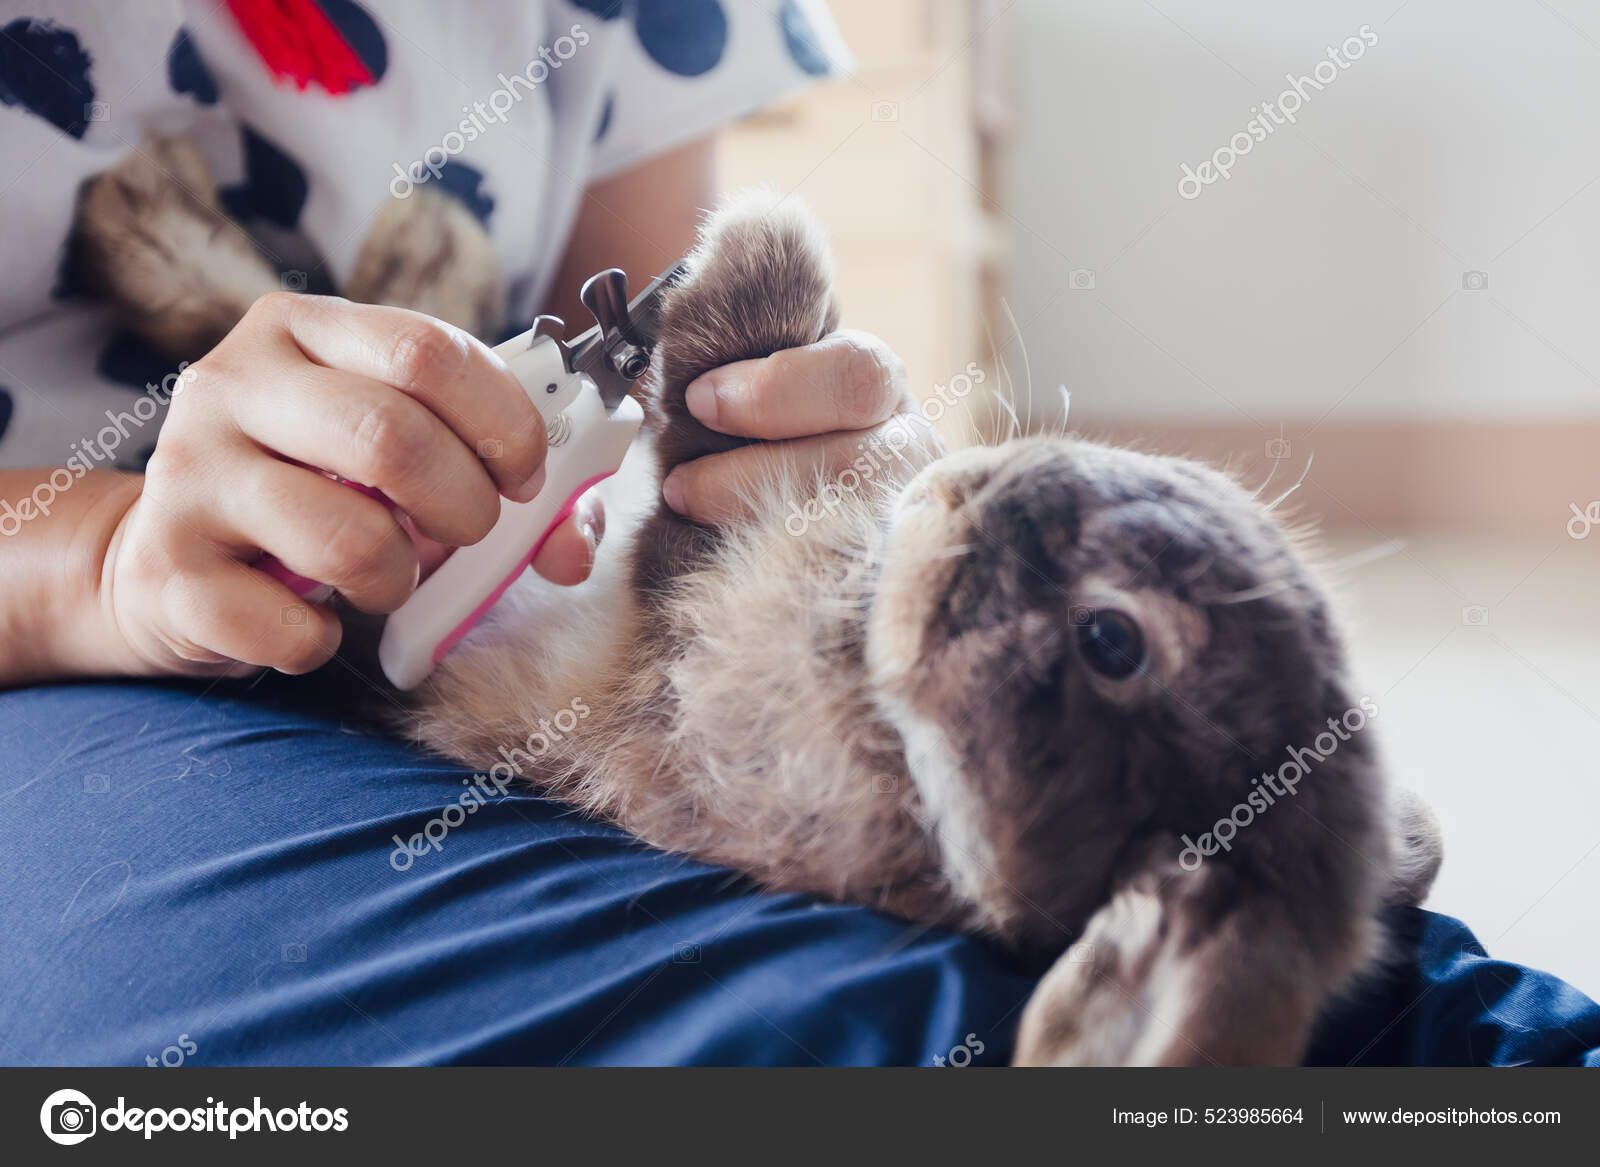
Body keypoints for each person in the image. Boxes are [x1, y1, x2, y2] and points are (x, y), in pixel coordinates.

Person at [1, 1, 1596, 1066]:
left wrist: (775, 466)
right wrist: (99, 565)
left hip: (504, 633)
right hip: (70, 685)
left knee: (1386, 998)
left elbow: (630, 343)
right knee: (878, 1032)